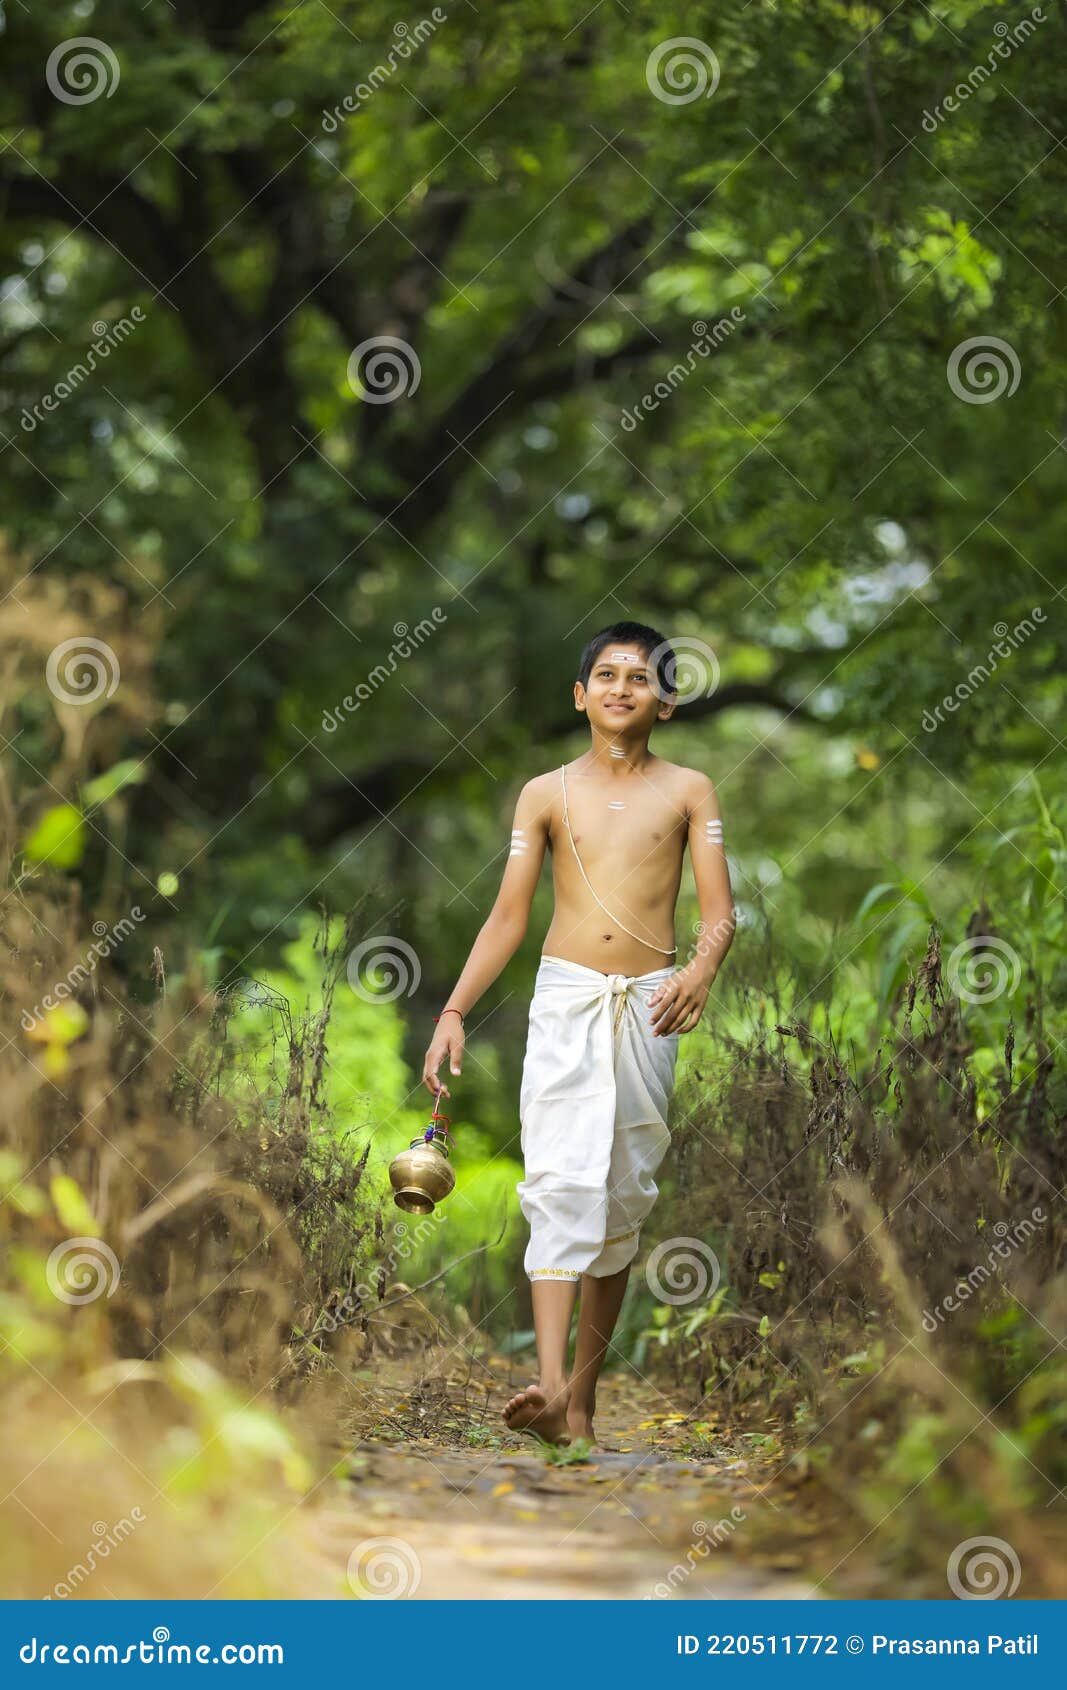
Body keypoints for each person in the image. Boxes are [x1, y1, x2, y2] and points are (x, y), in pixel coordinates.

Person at [421, 620, 734, 1448]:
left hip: (652, 1003)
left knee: (621, 1193)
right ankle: (551, 1388)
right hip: (564, 999)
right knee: (559, 1178)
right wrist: (452, 1010)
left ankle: (583, 1402)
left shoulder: (691, 790)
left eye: (639, 677)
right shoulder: (543, 794)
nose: (620, 688)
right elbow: (507, 917)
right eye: (606, 674)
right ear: (579, 694)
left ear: (664, 701)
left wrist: (697, 972)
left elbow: (719, 913)